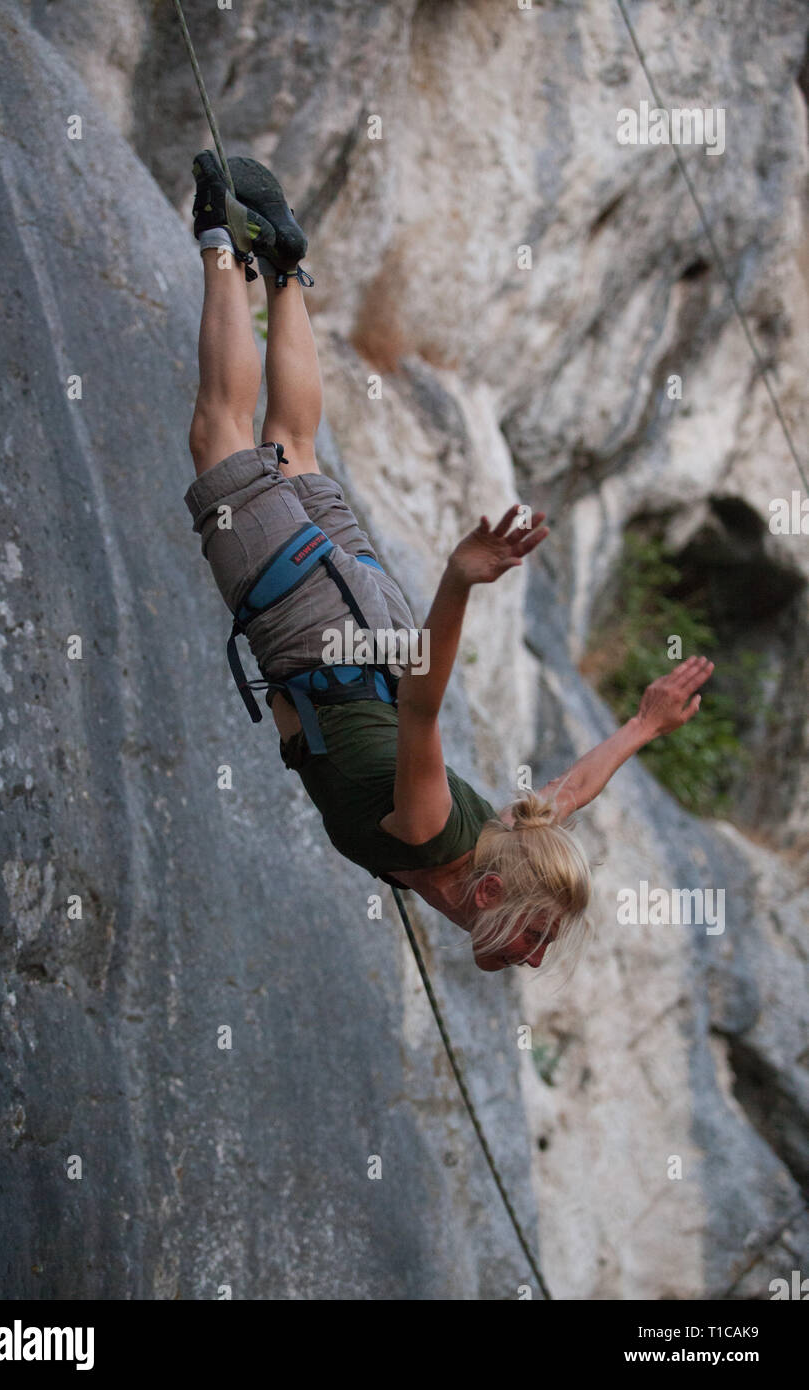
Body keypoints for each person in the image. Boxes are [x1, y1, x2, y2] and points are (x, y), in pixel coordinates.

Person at [183, 152, 714, 975]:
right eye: (537, 935)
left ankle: (287, 268)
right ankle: (221, 236)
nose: (532, 960)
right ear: (493, 896)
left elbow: (564, 798)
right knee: (221, 434)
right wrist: (461, 579)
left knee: (292, 448)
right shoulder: (434, 835)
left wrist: (645, 724)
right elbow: (425, 710)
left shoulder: (508, 840)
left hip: (370, 624)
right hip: (327, 633)